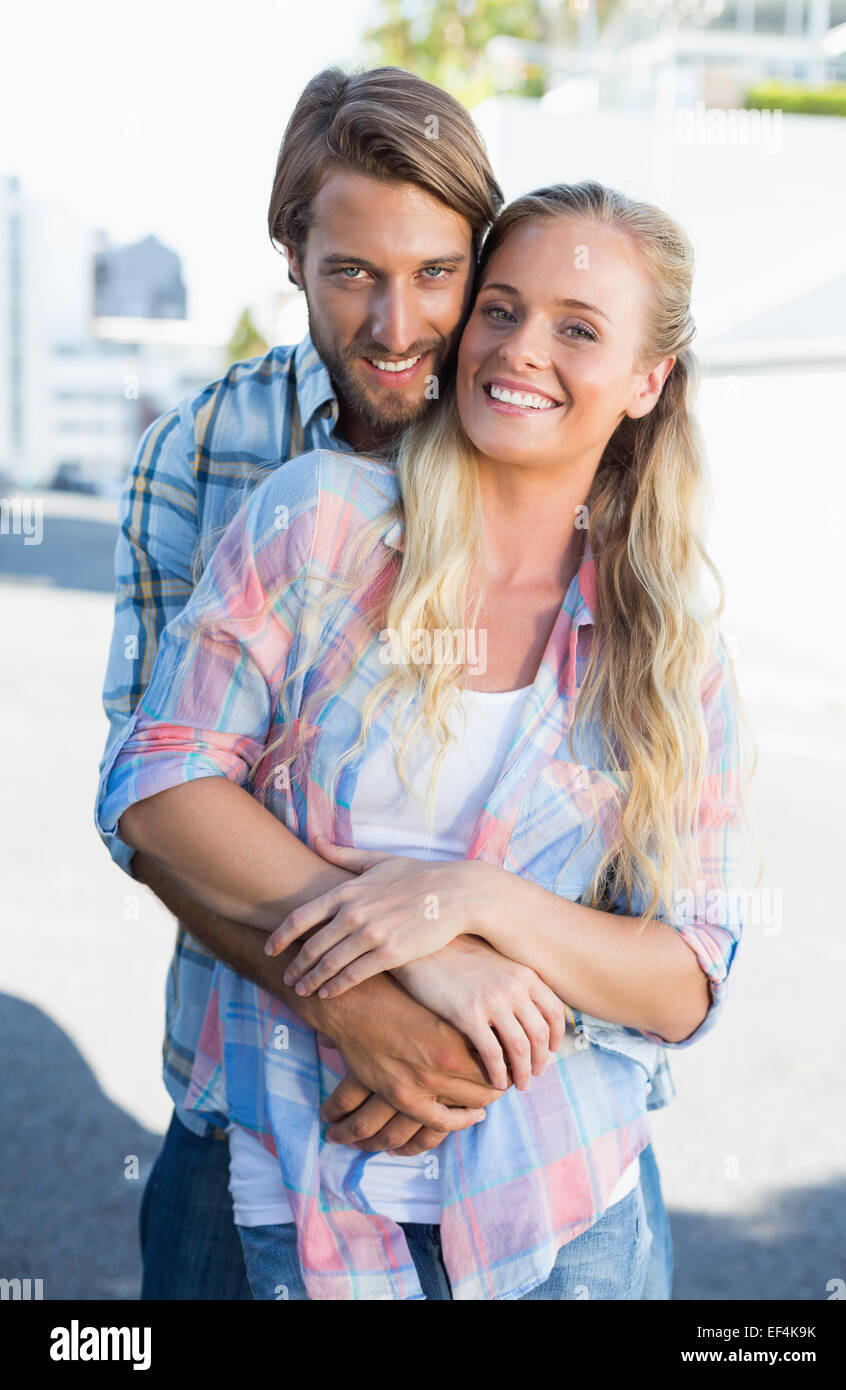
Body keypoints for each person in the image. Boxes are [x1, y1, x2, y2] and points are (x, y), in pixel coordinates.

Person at [97, 178, 745, 1300]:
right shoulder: (324, 521)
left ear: (648, 381)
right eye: (500, 308)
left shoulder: (673, 654)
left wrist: (477, 901)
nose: (518, 349)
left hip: (560, 1225)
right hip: (289, 1189)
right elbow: (160, 786)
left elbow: (687, 973)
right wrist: (411, 963)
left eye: (577, 329)